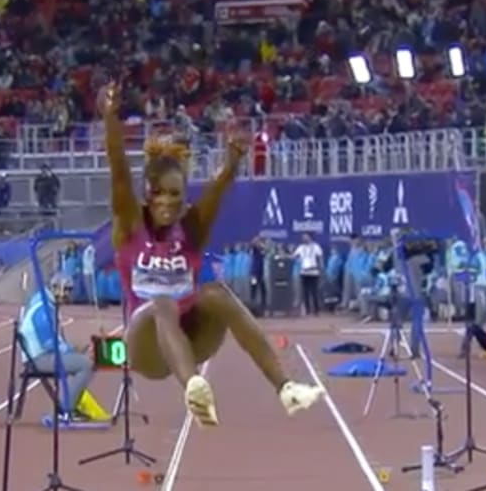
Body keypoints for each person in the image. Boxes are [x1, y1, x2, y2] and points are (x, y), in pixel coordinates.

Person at [101, 82, 323, 426]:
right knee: (161, 303)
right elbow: (118, 171)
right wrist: (110, 120)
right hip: (146, 346)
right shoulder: (129, 227)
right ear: (148, 195)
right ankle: (195, 389)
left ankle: (286, 388)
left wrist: (234, 160)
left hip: (192, 337)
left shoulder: (189, 228)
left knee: (215, 292)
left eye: (177, 195)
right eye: (161, 194)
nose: (170, 202)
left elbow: (218, 190)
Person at [19, 277, 96, 422]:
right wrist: (70, 350)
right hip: (39, 358)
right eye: (66, 289)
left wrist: (72, 350)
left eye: (70, 290)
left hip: (43, 355)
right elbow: (48, 342)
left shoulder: (46, 305)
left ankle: (69, 406)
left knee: (82, 362)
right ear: (55, 289)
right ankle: (64, 410)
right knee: (87, 364)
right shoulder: (43, 309)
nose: (68, 294)